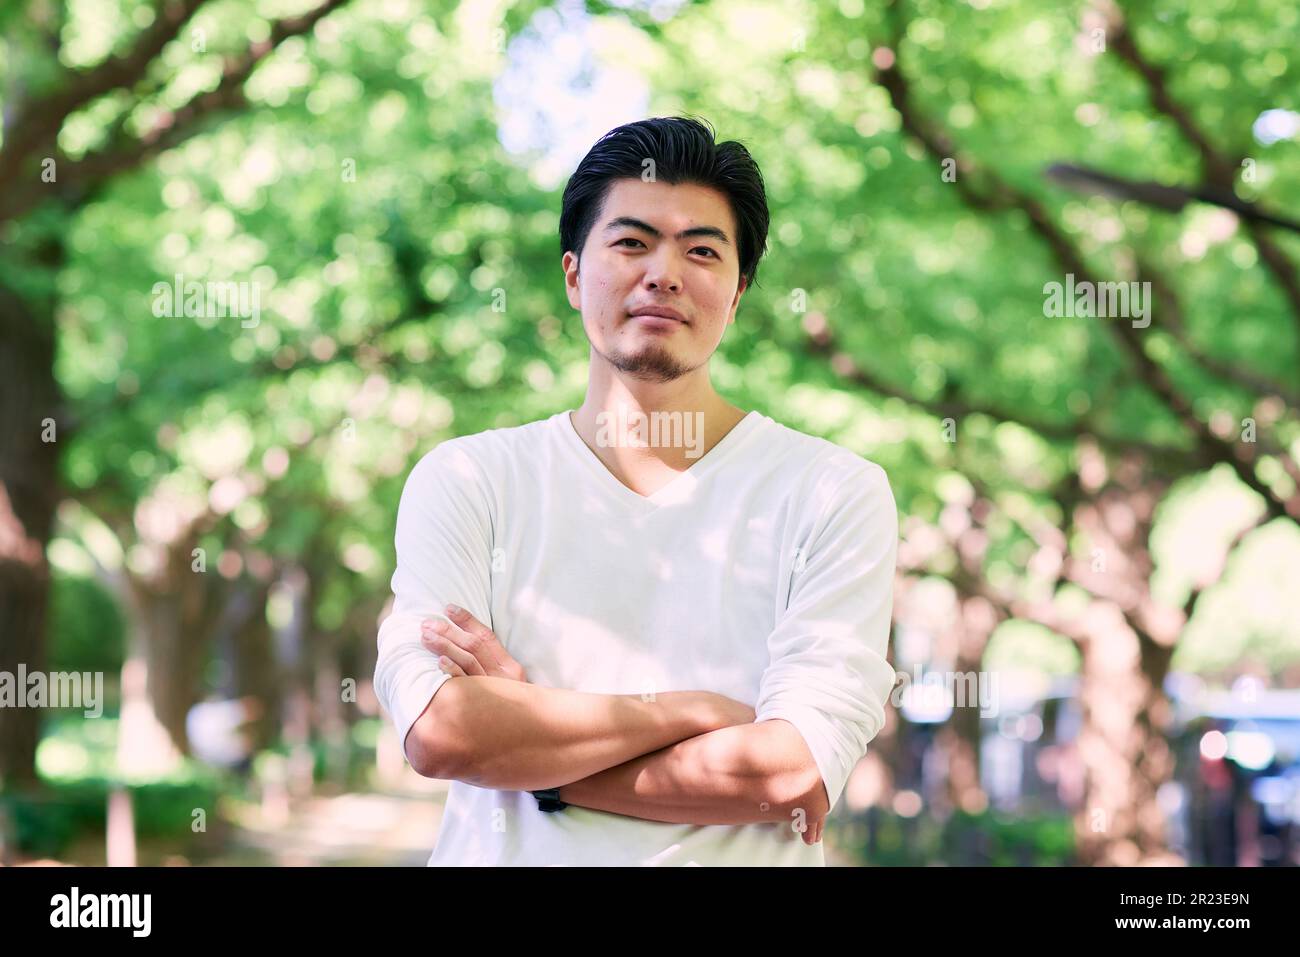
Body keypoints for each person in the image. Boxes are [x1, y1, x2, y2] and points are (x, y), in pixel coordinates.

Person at [373, 116, 898, 866]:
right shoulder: (468, 481)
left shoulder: (831, 493)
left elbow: (786, 768)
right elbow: (443, 731)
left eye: (703, 250)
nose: (665, 273)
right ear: (573, 273)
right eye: (631, 242)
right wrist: (698, 712)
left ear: (739, 291)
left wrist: (536, 751)